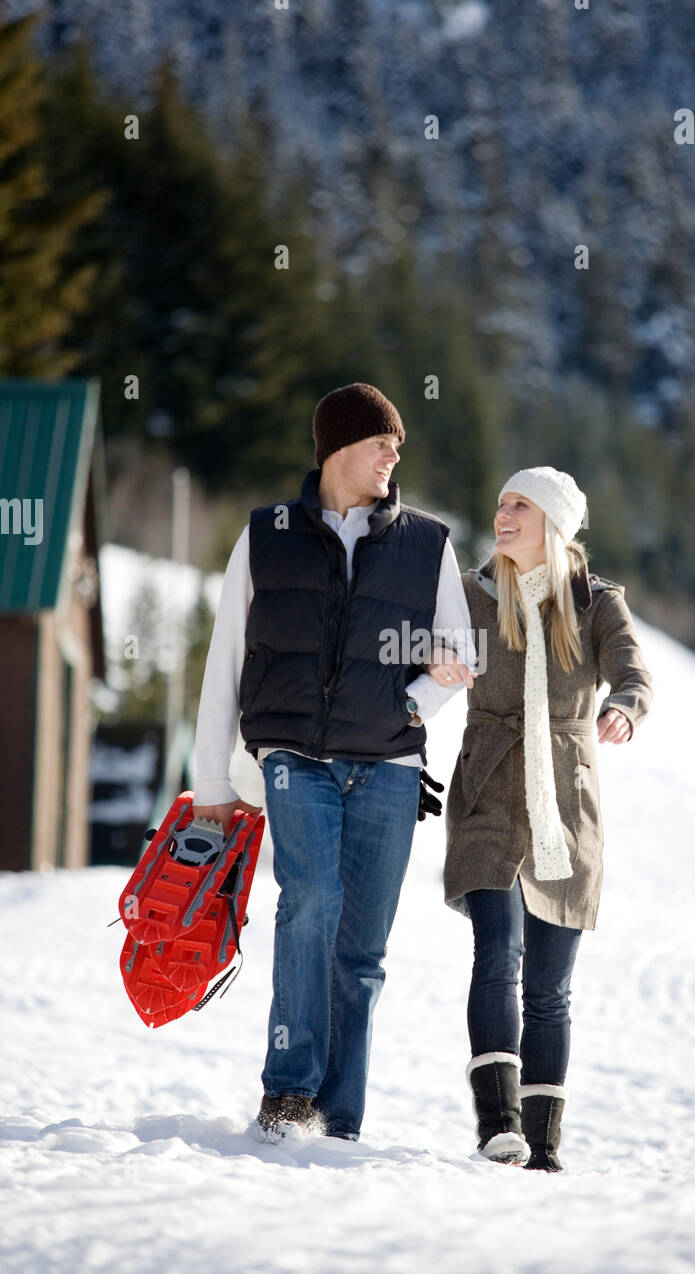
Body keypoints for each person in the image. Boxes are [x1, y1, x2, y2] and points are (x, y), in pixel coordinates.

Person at [192, 383, 476, 1144]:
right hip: (294, 757)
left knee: (361, 951)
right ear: (338, 448)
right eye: (383, 442)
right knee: (308, 901)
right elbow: (225, 662)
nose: (394, 455)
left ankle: (339, 1116)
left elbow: (461, 650)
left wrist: (418, 699)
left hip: (387, 767)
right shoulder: (267, 536)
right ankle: (288, 1094)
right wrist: (212, 783)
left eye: (397, 446)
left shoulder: (427, 543)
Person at [429, 466, 653, 1171]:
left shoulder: (595, 602)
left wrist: (623, 707)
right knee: (497, 951)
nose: (503, 514)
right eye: (499, 502)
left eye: (519, 505)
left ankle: (544, 1146)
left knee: (550, 990)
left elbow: (634, 672)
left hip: (566, 805)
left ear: (553, 522)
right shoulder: (470, 594)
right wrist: (432, 656)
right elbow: (417, 647)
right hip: (489, 794)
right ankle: (498, 1124)